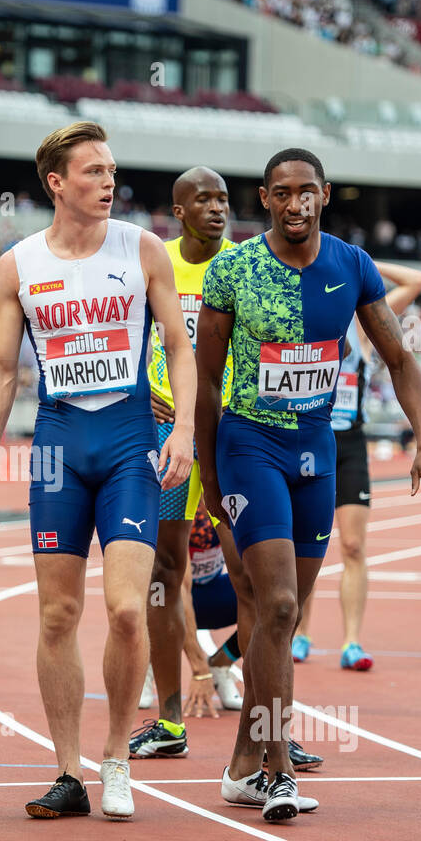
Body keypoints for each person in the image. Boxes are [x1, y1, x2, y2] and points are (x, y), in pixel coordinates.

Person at [194, 148, 421, 821]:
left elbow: (397, 356)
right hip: (249, 446)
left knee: (283, 618)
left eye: (308, 191)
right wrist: (211, 473)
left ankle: (242, 765)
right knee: (275, 607)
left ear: (325, 195)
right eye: (283, 192)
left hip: (317, 450)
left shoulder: (351, 265)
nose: (296, 202)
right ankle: (278, 771)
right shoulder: (235, 270)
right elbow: (209, 381)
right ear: (267, 199)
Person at [0, 122, 196, 820]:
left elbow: (181, 350)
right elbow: (4, 368)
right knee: (58, 612)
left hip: (131, 440)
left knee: (128, 610)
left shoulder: (143, 248)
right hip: (57, 444)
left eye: (113, 170)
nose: (109, 182)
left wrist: (183, 429)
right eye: (94, 171)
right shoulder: (20, 265)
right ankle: (68, 771)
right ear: (57, 183)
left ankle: (117, 756)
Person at [130, 167, 241, 764]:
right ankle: (169, 720)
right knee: (163, 572)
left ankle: (265, 724)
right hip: (167, 434)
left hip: (227, 434)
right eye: (203, 199)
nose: (217, 207)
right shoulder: (156, 262)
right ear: (179, 209)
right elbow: (125, 334)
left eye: (223, 198)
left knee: (261, 573)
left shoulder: (248, 266)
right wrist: (132, 388)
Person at [292, 261, 421, 671]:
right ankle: (300, 634)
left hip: (349, 444)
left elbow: (416, 281)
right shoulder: (297, 312)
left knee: (352, 545)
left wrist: (362, 259)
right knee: (303, 545)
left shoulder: (364, 324)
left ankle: (351, 642)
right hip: (307, 440)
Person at [133, 503, 325, 779]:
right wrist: (199, 671)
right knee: (160, 576)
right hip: (175, 466)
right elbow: (181, 590)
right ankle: (170, 725)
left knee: (259, 584)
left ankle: (269, 736)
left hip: (222, 462)